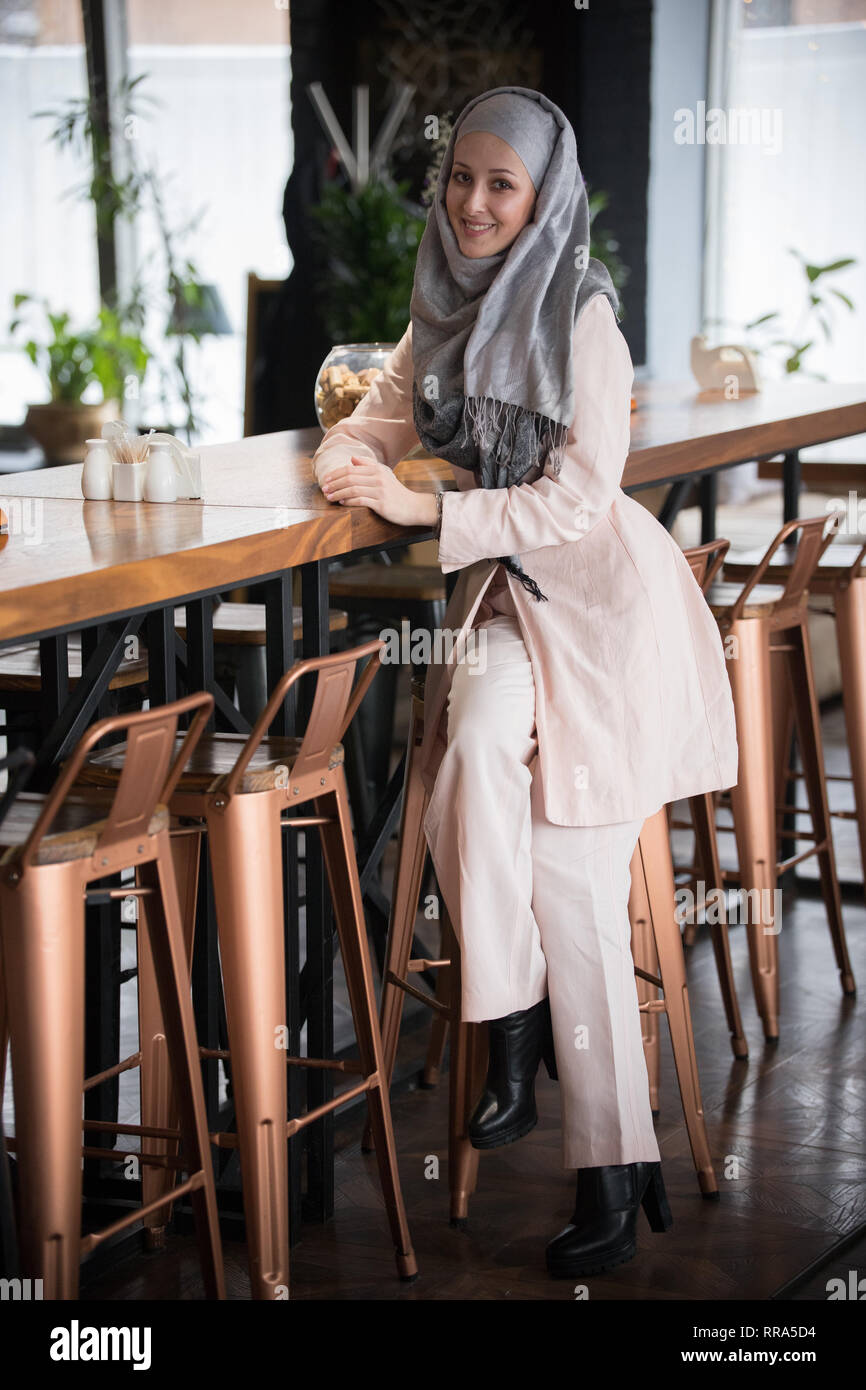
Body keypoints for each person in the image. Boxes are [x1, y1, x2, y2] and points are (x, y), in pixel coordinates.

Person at [312, 86, 738, 1279]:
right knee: (467, 765)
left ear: (543, 198)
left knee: (567, 870)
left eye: (502, 184)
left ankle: (606, 1165)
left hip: (600, 608)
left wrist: (419, 504)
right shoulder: (439, 305)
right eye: (461, 179)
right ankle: (504, 1023)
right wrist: (350, 454)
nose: (474, 202)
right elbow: (383, 410)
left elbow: (574, 500)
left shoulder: (581, 320)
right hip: (508, 604)